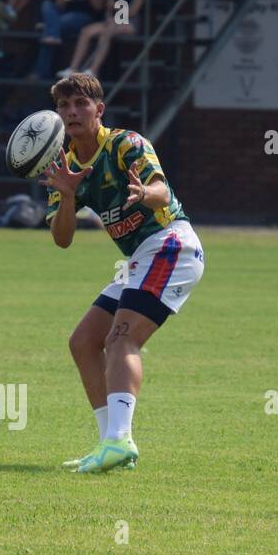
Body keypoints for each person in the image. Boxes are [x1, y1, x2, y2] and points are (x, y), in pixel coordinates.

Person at [42, 71, 205, 473]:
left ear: (99, 109)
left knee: (121, 338)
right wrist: (67, 196)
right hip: (140, 258)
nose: (72, 112)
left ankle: (119, 440)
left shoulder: (125, 144)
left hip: (171, 244)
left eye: (81, 104)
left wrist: (144, 192)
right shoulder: (63, 165)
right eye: (64, 105)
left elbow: (161, 193)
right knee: (83, 342)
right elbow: (62, 239)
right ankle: (109, 444)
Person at [59, 0, 145, 78]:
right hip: (113, 20)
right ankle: (73, 68)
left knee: (107, 32)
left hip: (130, 22)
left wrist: (115, 8)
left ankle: (93, 70)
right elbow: (108, 6)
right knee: (86, 31)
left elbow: (133, 11)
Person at [32, 0, 102, 79]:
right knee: (47, 4)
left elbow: (98, 6)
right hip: (65, 14)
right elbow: (61, 5)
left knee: (49, 30)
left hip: (84, 16)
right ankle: (52, 35)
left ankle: (40, 73)